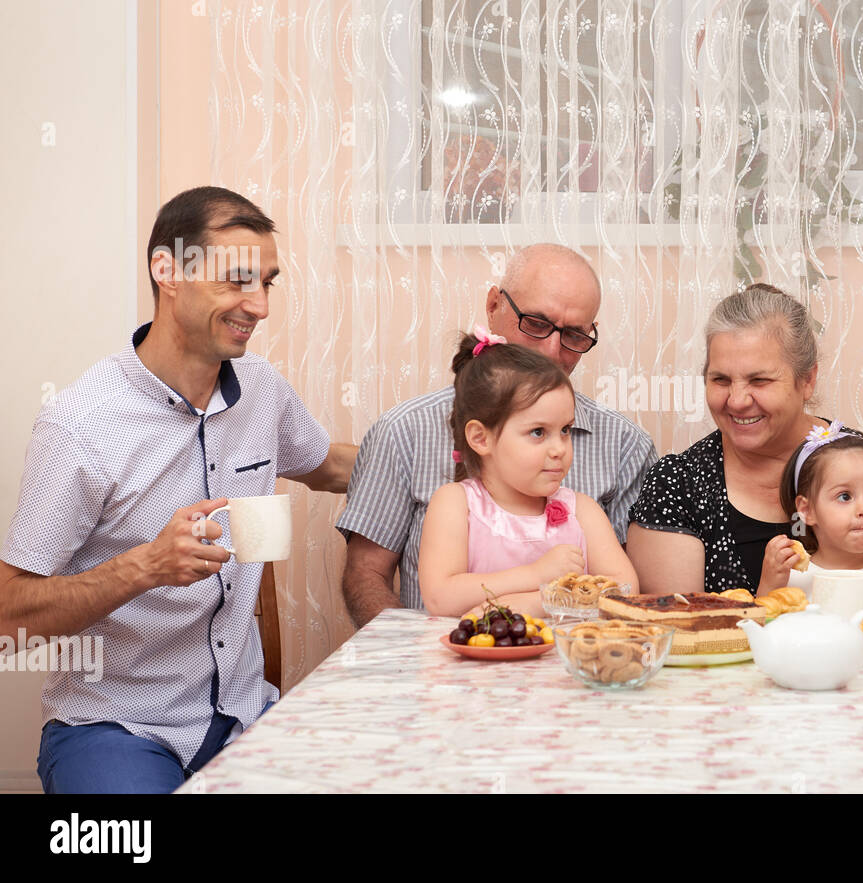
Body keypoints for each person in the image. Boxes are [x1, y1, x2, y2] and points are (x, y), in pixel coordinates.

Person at [0, 187, 357, 793]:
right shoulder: (80, 425)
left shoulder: (262, 389)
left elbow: (332, 467)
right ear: (167, 270)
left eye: (267, 282)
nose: (260, 305)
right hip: (116, 727)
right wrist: (143, 567)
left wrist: (475, 457)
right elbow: (10, 620)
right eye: (238, 281)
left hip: (245, 715)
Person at [338, 245, 657, 626]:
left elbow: (625, 595)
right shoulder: (404, 432)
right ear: (493, 305)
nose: (551, 349)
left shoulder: (624, 447)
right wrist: (407, 667)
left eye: (574, 334)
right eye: (536, 323)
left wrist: (531, 603)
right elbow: (368, 575)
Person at [627, 283, 863, 595]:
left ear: (807, 380)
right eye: (720, 379)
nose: (736, 400)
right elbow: (677, 630)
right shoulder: (678, 484)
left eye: (759, 380)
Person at [417, 330, 638, 618]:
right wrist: (536, 574)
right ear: (481, 438)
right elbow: (440, 597)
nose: (559, 448)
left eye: (565, 430)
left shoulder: (582, 511)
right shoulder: (456, 503)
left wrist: (535, 603)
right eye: (538, 432)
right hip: (473, 660)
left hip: (562, 663)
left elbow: (625, 591)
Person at [771, 423, 863, 612]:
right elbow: (758, 632)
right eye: (845, 496)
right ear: (807, 510)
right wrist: (770, 585)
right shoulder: (790, 578)